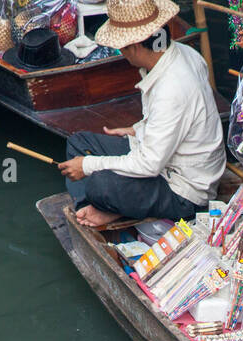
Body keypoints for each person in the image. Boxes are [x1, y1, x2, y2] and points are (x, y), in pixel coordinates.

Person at [57, 0, 224, 228]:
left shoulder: (172, 87)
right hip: (163, 158)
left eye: (122, 48)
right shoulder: (183, 52)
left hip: (184, 190)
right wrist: (139, 128)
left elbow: (150, 164)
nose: (122, 54)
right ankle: (93, 209)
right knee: (78, 143)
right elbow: (184, 120)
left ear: (134, 46)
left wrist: (87, 165)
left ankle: (102, 207)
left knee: (98, 183)